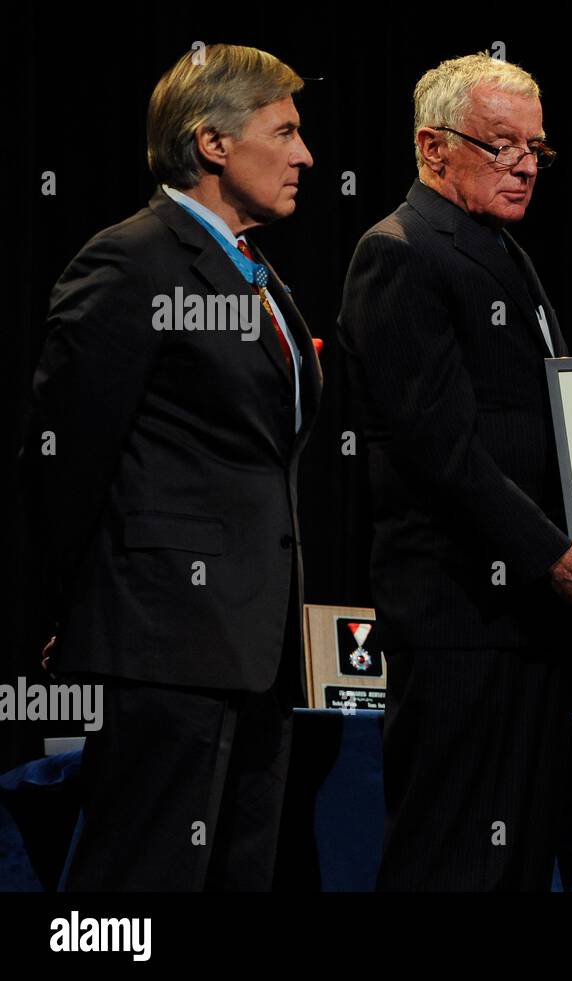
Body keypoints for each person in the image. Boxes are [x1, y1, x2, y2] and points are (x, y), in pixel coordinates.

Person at [24, 44, 320, 890]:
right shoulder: (131, 261)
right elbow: (61, 458)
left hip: (253, 647)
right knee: (138, 885)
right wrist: (64, 608)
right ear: (213, 145)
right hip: (161, 646)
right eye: (286, 132)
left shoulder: (256, 270)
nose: (306, 155)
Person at [338, 53, 572, 891]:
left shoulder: (495, 245)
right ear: (434, 148)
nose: (527, 165)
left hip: (519, 621)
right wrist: (555, 554)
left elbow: (501, 407)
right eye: (503, 146)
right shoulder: (398, 252)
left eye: (536, 148)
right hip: (458, 616)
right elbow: (442, 450)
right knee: (449, 857)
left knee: (514, 858)